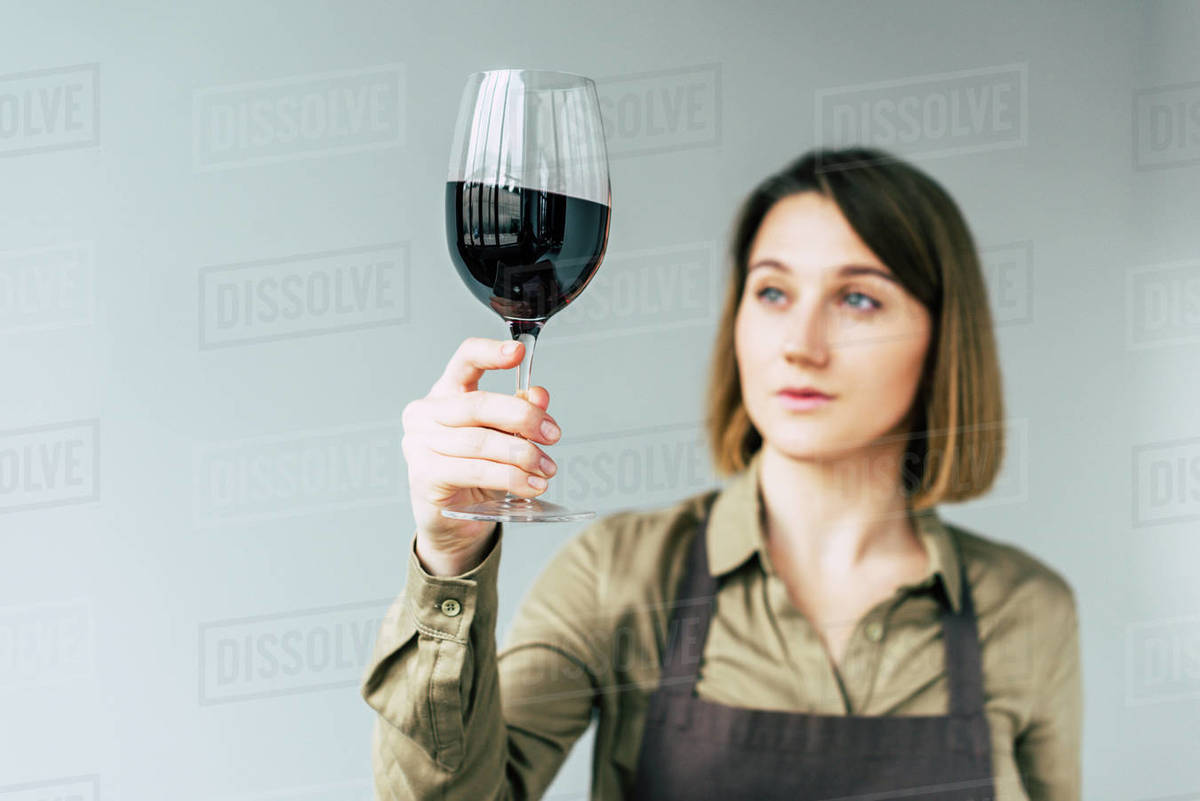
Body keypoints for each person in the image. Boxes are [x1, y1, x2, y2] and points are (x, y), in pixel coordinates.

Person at [360, 146, 1082, 800]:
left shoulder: (1027, 611)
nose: (800, 344)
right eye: (772, 292)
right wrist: (450, 556)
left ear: (942, 335)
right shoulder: (621, 573)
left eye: (858, 298)